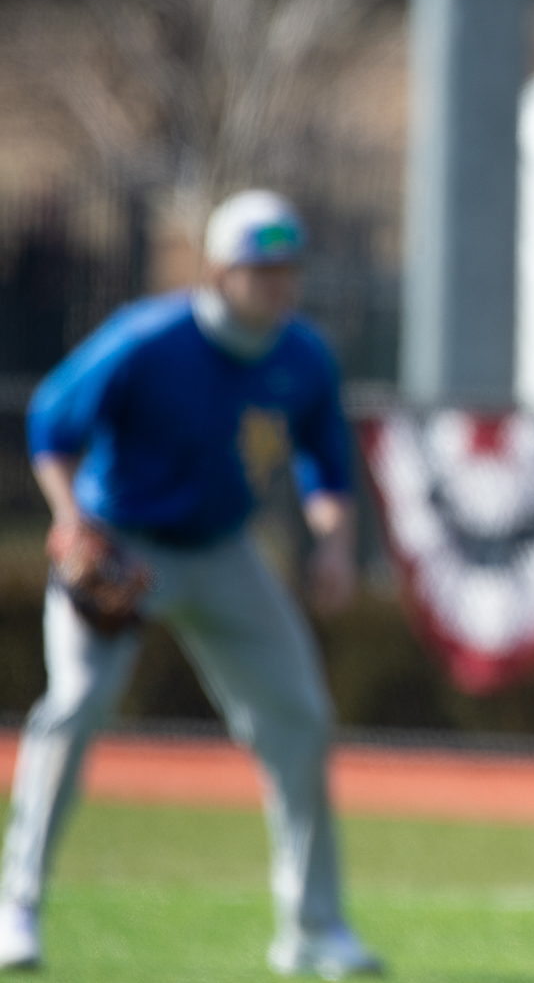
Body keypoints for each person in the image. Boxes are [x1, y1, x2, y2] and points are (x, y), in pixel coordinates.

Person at [0, 190, 382, 976]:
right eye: (261, 269)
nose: (278, 284)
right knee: (73, 707)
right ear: (219, 271)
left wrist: (333, 543)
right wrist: (73, 521)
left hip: (222, 548)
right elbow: (50, 423)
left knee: (301, 717)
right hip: (122, 546)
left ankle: (310, 930)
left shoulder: (300, 353)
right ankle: (16, 907)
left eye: (288, 268)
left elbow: (324, 461)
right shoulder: (148, 339)